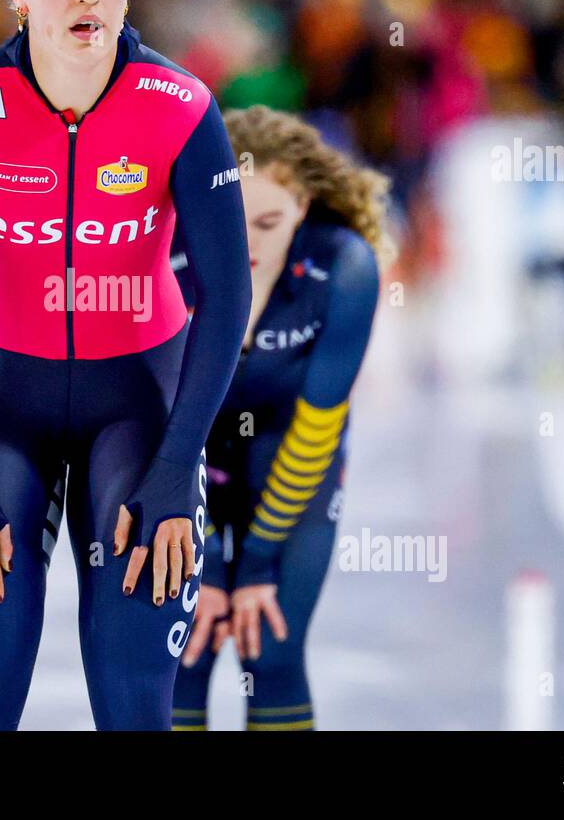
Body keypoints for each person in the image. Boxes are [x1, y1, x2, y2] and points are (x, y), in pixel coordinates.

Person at [0, 0, 251, 730]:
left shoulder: (184, 110)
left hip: (138, 413)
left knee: (136, 703)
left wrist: (178, 467)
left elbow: (227, 294)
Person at [167, 105, 393, 731]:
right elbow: (157, 421)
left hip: (290, 456)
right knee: (183, 650)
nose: (247, 246)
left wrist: (259, 560)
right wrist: (207, 565)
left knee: (271, 650)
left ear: (304, 210)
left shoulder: (344, 268)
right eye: (228, 223)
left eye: (269, 222)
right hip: (185, 455)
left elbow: (319, 426)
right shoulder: (166, 258)